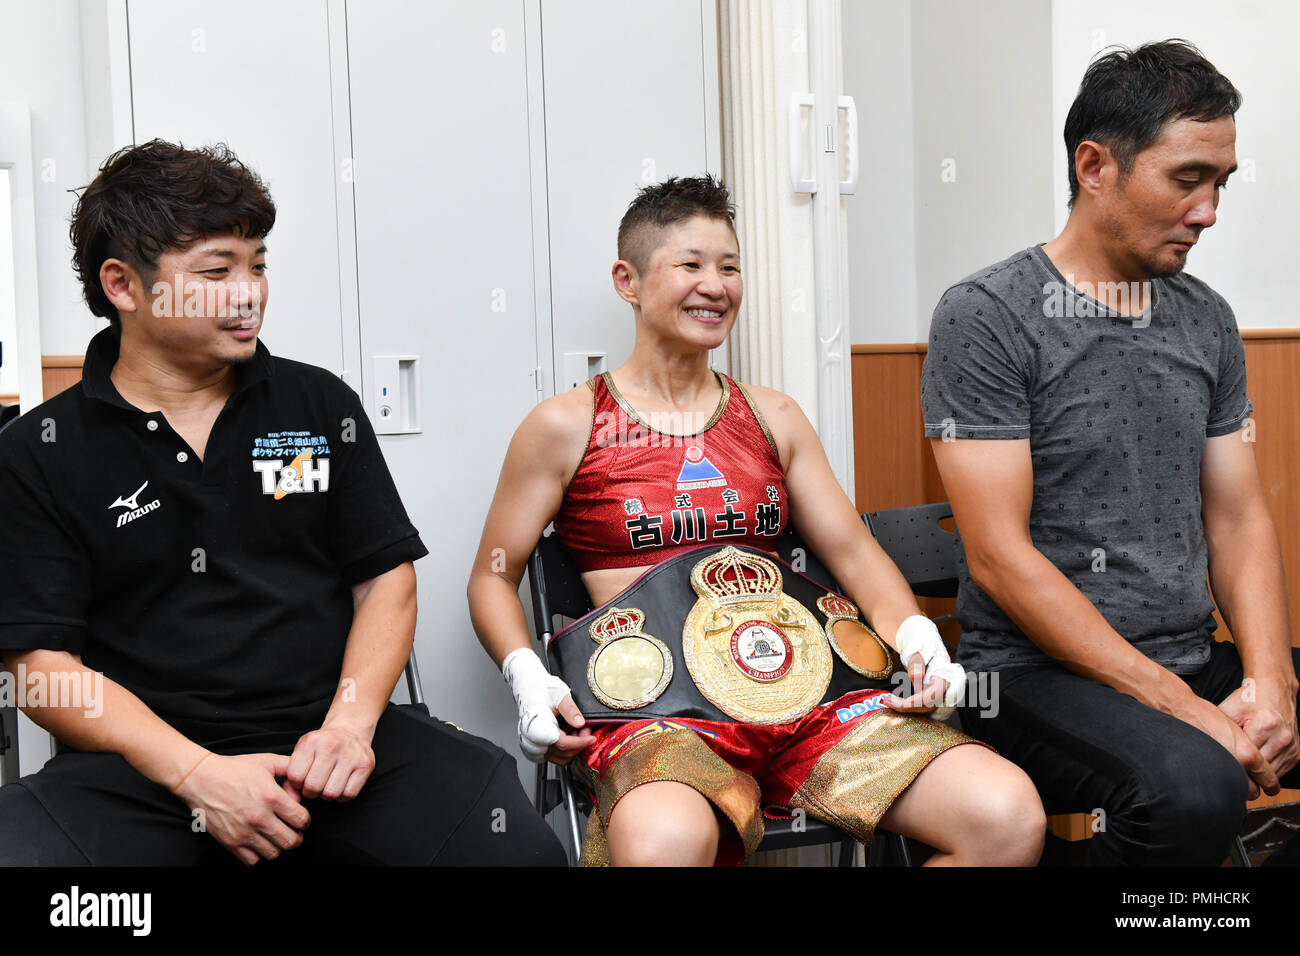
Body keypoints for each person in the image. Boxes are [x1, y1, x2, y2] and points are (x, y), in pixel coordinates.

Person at [0, 140, 564, 867]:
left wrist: (351, 727)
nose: (249, 293)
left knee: (514, 851)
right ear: (123, 286)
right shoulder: (39, 448)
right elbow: (41, 662)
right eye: (217, 271)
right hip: (139, 769)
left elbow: (383, 578)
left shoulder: (315, 405)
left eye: (258, 265)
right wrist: (198, 775)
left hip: (327, 742)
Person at [468, 175, 1045, 866]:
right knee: (662, 844)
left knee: (1006, 817)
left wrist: (918, 640)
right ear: (628, 280)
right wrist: (529, 680)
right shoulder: (566, 425)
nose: (716, 285)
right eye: (691, 265)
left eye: (730, 266)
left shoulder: (774, 416)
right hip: (659, 714)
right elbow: (491, 577)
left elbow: (856, 556)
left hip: (814, 704)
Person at [922, 40, 1299, 865]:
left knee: (1233, 748)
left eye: (1221, 183)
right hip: (1030, 678)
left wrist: (1270, 684)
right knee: (1196, 787)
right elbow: (997, 556)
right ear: (1096, 166)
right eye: (1187, 178)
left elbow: (1238, 519)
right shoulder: (987, 316)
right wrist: (1186, 709)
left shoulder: (1206, 318)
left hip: (1189, 657)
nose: (1209, 210)